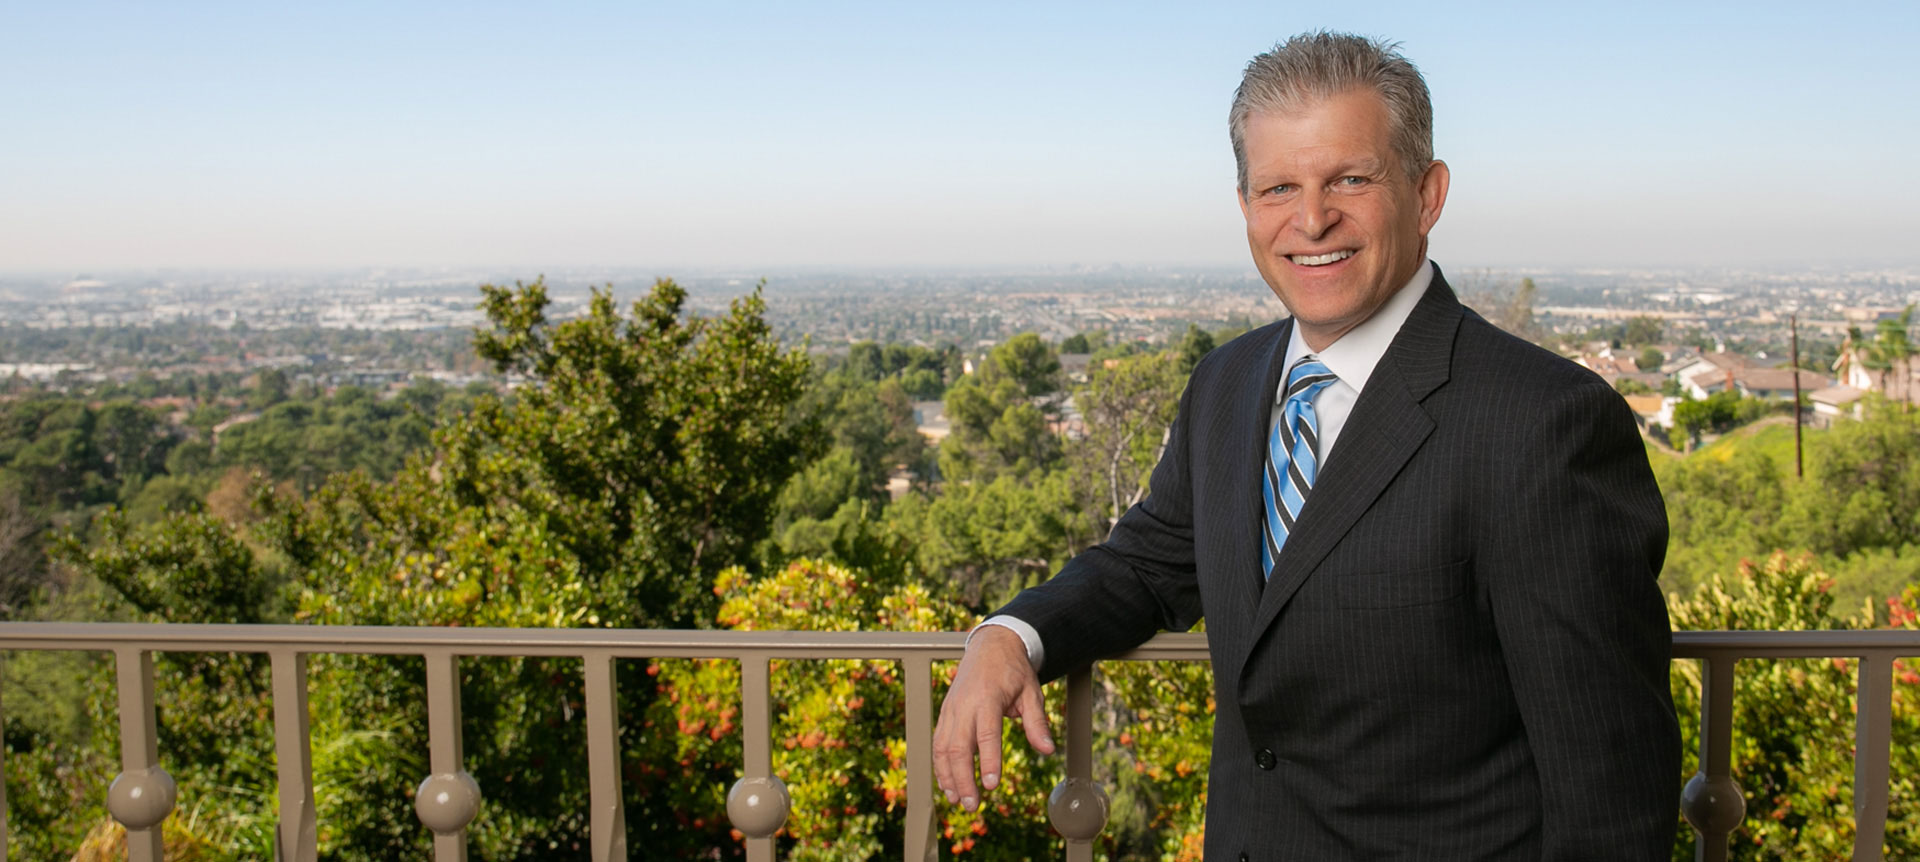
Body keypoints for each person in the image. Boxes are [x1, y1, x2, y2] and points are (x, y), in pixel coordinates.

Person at [931, 31, 1680, 860]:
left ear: (1427, 194)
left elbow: (1610, 788)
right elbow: (1149, 563)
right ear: (1245, 205)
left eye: (1351, 179)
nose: (1312, 218)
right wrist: (1010, 635)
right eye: (1278, 186)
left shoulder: (1543, 423)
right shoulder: (1226, 383)